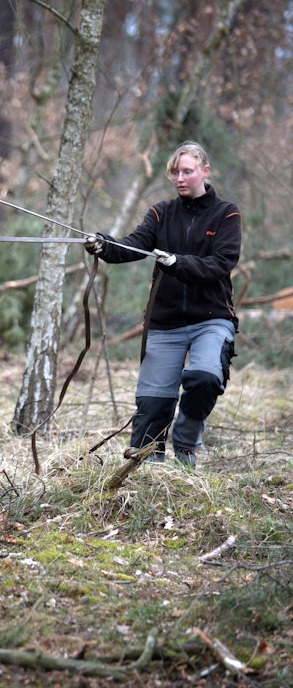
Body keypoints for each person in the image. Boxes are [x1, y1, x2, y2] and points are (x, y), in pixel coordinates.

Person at [84, 141, 240, 467]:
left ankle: (185, 444)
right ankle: (147, 471)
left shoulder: (226, 214)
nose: (180, 178)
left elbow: (220, 264)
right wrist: (105, 245)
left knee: (205, 378)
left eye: (187, 171)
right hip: (165, 321)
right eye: (175, 172)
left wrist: (176, 262)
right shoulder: (160, 213)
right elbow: (133, 246)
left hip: (211, 318)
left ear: (204, 171)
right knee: (152, 403)